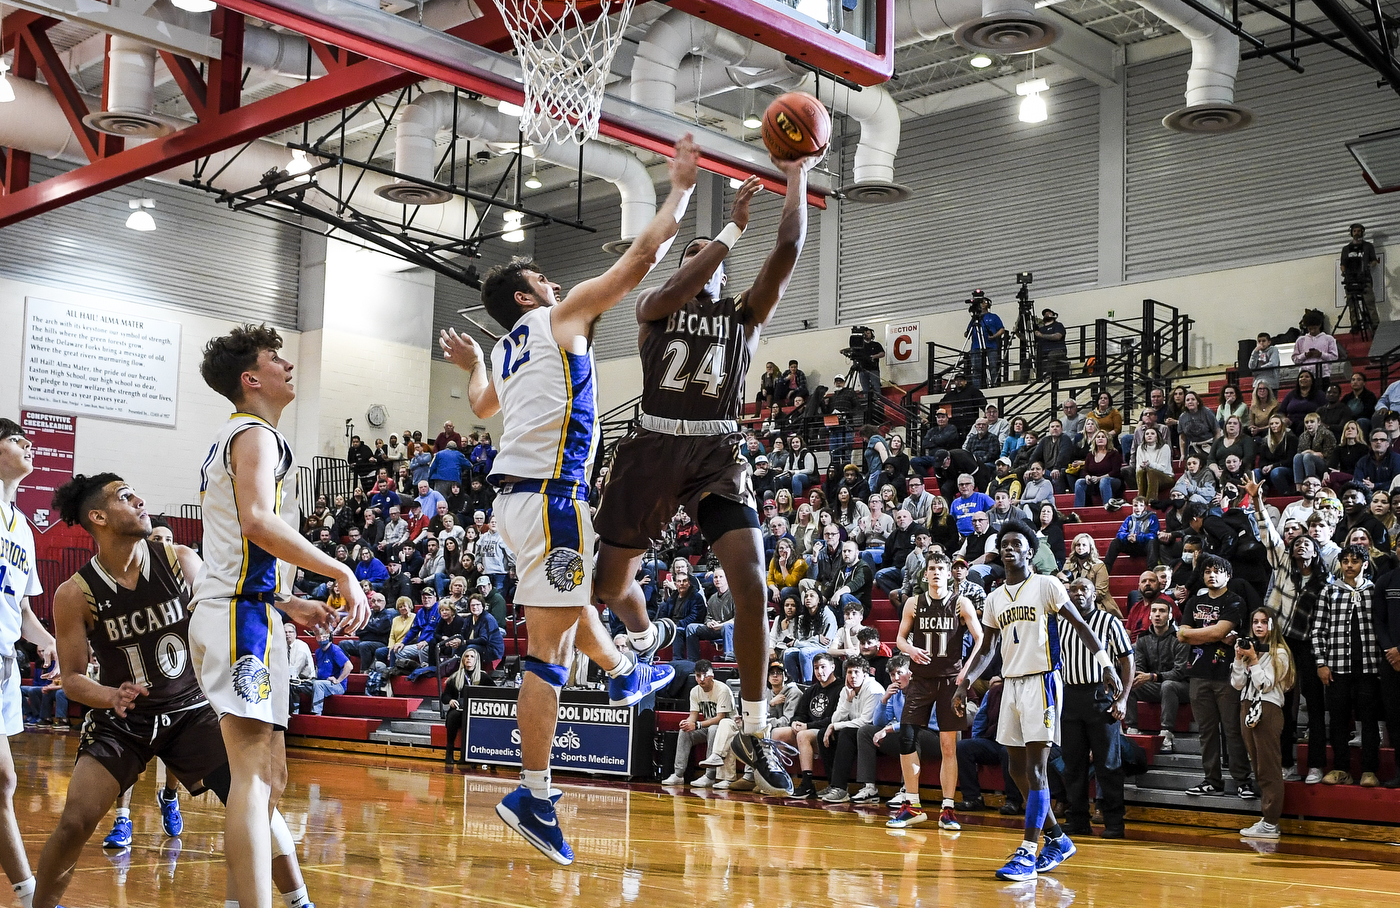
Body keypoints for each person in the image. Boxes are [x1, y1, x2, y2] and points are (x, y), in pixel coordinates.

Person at [438, 141, 712, 864]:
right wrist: (680, 191)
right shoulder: (556, 322)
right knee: (548, 651)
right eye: (543, 279)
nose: (555, 281)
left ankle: (624, 673)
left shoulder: (507, 351)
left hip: (518, 504)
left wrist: (474, 362)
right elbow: (640, 261)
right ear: (527, 298)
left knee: (572, 602)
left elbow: (481, 405)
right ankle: (533, 793)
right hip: (551, 499)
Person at [583, 149, 820, 799]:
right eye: (691, 255)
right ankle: (644, 636)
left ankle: (754, 728)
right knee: (609, 583)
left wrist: (797, 174)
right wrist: (730, 229)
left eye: (708, 257)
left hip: (717, 453)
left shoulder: (744, 317)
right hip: (651, 449)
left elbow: (791, 246)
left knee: (753, 586)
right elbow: (678, 282)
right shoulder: (655, 308)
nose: (701, 262)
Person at [37, 473, 313, 908]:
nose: (140, 500)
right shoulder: (74, 593)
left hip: (191, 709)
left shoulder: (179, 559)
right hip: (125, 720)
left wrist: (292, 604)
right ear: (99, 517)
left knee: (254, 802)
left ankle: (299, 901)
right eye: (125, 496)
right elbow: (71, 678)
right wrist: (109, 696)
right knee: (74, 822)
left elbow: (231, 599)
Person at [187, 326, 368, 908]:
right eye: (275, 358)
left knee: (271, 777)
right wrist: (339, 570)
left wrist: (288, 602)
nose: (288, 365)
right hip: (237, 618)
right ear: (251, 378)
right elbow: (257, 523)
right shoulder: (255, 434)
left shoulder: (239, 436)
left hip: (247, 610)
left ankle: (238, 898)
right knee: (251, 777)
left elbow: (237, 548)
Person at [954, 519, 1122, 882]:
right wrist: (964, 682)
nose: (1009, 548)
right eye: (1004, 544)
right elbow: (987, 647)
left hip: (1042, 681)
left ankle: (1028, 852)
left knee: (1035, 770)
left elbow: (1080, 625)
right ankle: (1057, 839)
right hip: (1011, 684)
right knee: (1016, 769)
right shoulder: (995, 598)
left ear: (1030, 551)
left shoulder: (1047, 585)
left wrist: (1106, 664)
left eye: (1017, 543)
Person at [0, 420, 55, 908]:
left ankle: (27, 894)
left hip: (4, 661)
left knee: (4, 781)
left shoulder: (22, 528)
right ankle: (30, 895)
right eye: (18, 440)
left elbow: (21, 609)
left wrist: (50, 642)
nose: (29, 445)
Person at [887, 554, 983, 830]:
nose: (937, 572)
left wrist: (967, 671)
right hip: (920, 680)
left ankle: (948, 808)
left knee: (948, 746)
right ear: (925, 574)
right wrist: (910, 649)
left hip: (950, 682)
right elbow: (899, 639)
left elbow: (981, 639)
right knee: (906, 738)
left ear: (949, 573)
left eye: (941, 568)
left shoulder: (961, 603)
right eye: (932, 568)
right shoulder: (914, 603)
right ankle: (912, 805)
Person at [1178, 555, 1255, 799]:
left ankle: (1243, 780)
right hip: (1198, 673)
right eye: (1207, 571)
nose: (1211, 575)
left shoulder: (1235, 600)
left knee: (1233, 730)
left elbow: (1219, 631)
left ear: (1228, 576)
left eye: (1217, 571)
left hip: (1227, 674)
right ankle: (1212, 780)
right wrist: (1212, 634)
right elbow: (1181, 634)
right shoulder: (1194, 601)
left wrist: (1201, 634)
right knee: (1206, 731)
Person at [1311, 545, 1383, 786]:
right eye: (1345, 561)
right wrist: (1321, 662)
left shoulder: (1374, 591)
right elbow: (1318, 630)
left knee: (1369, 720)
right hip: (1337, 667)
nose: (1349, 565)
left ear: (1365, 564)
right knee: (1338, 720)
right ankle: (1341, 768)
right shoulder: (1329, 591)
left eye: (1355, 561)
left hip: (1369, 667)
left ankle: (1369, 770)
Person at [1232, 606, 1296, 838]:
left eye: (1264, 622)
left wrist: (1254, 660)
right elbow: (1237, 684)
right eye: (1255, 622)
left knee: (1269, 767)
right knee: (1258, 766)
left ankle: (1270, 822)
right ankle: (1267, 819)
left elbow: (1265, 684)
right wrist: (1239, 659)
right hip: (1246, 705)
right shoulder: (1250, 648)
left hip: (1268, 708)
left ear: (1272, 625)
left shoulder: (1280, 652)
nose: (1258, 626)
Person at [815, 656, 885, 802]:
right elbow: (835, 719)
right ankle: (833, 785)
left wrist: (835, 726)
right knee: (823, 734)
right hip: (855, 729)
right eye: (849, 672)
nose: (852, 676)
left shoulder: (874, 690)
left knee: (845, 732)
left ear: (865, 674)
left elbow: (866, 721)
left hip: (873, 733)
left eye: (856, 672)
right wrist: (847, 701)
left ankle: (840, 788)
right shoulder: (845, 690)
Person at [663, 661, 740, 789]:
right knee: (685, 732)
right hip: (708, 727)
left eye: (705, 675)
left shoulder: (722, 690)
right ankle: (678, 774)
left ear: (712, 675)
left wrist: (697, 725)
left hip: (728, 728)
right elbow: (693, 715)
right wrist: (688, 723)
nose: (701, 679)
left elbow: (720, 718)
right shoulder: (694, 691)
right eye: (698, 676)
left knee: (713, 729)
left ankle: (709, 775)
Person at [1126, 600, 1190, 753]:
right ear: (1149, 616)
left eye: (1162, 611)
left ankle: (1166, 734)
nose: (1157, 614)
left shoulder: (1180, 638)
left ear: (1170, 615)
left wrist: (1152, 677)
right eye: (1154, 611)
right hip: (1155, 685)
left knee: (1168, 685)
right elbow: (1140, 667)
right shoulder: (1143, 638)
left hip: (1181, 687)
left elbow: (1179, 672)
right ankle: (1131, 729)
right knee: (1128, 683)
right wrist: (1138, 676)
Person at [1339, 222, 1380, 329]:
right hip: (1350, 279)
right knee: (1352, 303)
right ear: (1351, 233)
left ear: (1362, 232)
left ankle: (1375, 324)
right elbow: (1342, 264)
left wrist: (1369, 266)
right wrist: (1344, 272)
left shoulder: (1368, 246)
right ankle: (1355, 325)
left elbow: (1374, 260)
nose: (1357, 233)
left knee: (1369, 301)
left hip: (1364, 278)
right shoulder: (1346, 249)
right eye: (1354, 231)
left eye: (1359, 231)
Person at [1105, 497, 1160, 573]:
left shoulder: (1152, 517)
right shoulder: (1130, 518)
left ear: (1146, 507)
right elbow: (1120, 533)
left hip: (1145, 546)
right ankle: (1105, 570)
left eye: (1141, 505)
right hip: (1131, 545)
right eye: (1135, 505)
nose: (1138, 508)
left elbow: (1153, 534)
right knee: (1115, 542)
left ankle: (1151, 570)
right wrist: (1128, 537)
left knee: (1153, 541)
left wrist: (1137, 538)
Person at [968, 294, 1007, 388]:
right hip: (976, 346)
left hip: (991, 346)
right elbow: (968, 332)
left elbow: (1002, 329)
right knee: (976, 369)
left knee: (993, 367)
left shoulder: (993, 317)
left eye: (984, 302)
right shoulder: (974, 319)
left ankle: (994, 385)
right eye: (981, 302)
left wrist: (994, 336)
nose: (982, 304)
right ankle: (977, 388)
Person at [1291, 311, 1340, 382]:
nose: (1313, 331)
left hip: (1323, 374)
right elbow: (1295, 359)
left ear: (1319, 326)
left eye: (1315, 328)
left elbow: (1334, 357)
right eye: (1310, 329)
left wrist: (1321, 354)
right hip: (1305, 374)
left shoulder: (1329, 339)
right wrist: (1305, 355)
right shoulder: (1301, 340)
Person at [1034, 308, 1069, 380]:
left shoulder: (1058, 325)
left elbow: (1057, 336)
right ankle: (1022, 382)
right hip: (1043, 353)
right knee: (1027, 362)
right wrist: (1017, 333)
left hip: (1058, 351)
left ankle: (1048, 376)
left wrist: (1041, 335)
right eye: (1045, 314)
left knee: (1052, 355)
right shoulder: (1041, 329)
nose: (1047, 314)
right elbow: (1030, 340)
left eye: (1049, 312)